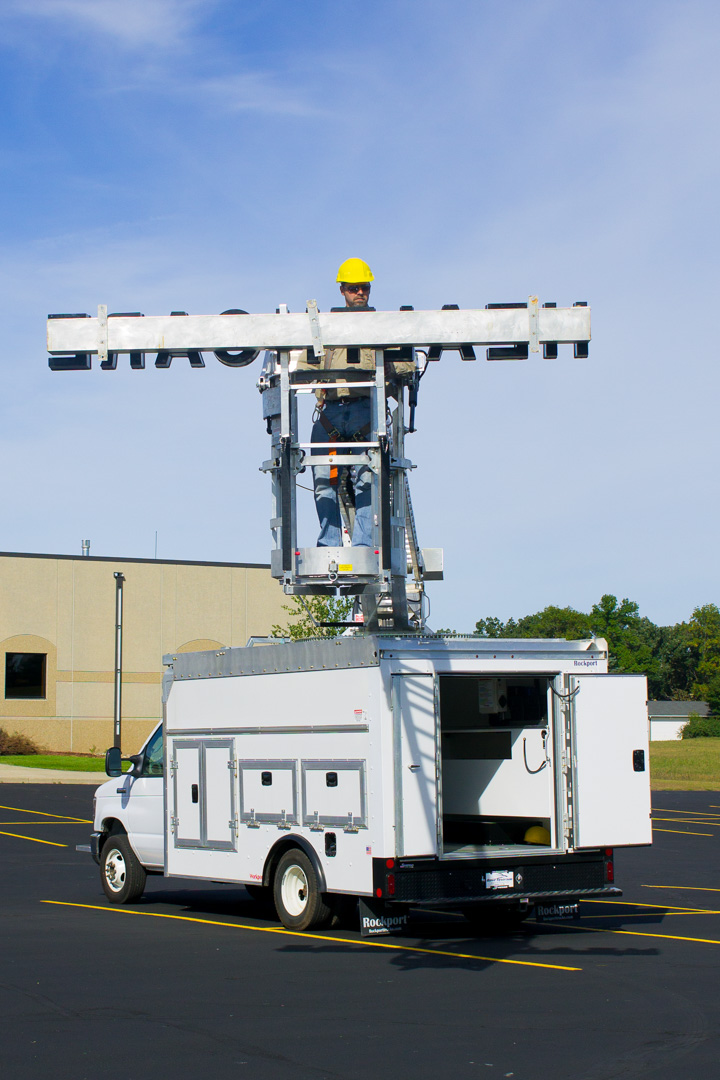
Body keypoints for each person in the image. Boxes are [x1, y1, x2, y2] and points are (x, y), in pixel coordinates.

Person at [299, 258, 413, 547]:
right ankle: (330, 542)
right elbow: (302, 368)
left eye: (364, 288)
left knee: (368, 479)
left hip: (366, 411)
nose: (359, 293)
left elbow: (408, 364)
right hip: (330, 413)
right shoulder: (323, 329)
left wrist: (387, 367)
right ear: (342, 291)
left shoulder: (382, 328)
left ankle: (363, 545)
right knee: (324, 480)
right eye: (353, 289)